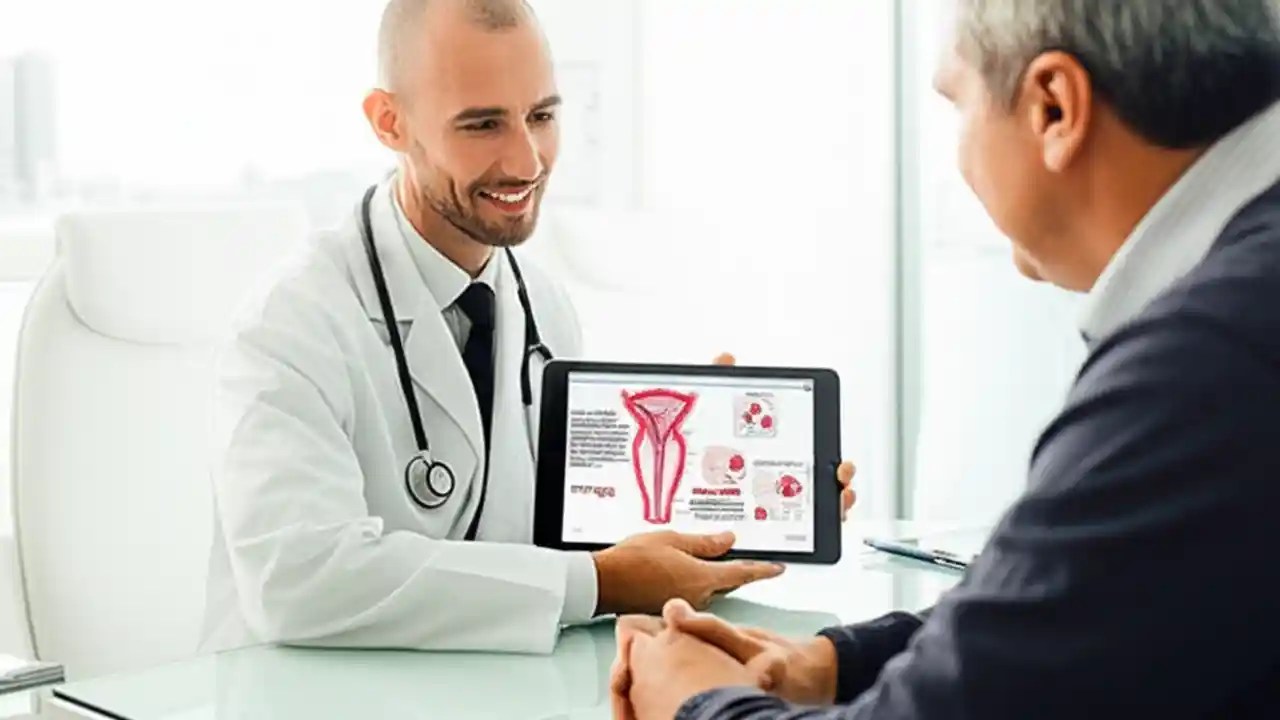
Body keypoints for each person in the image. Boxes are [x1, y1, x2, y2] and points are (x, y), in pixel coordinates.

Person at [613, 0, 1280, 717]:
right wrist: (838, 663)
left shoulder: (1204, 364)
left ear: (1055, 108)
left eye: (956, 103)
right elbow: (1096, 601)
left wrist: (692, 699)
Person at [199, 0, 855, 656]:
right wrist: (598, 584)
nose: (526, 160)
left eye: (541, 115)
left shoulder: (541, 306)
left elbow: (544, 548)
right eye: (482, 124)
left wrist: (719, 498)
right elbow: (299, 581)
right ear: (389, 122)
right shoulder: (292, 322)